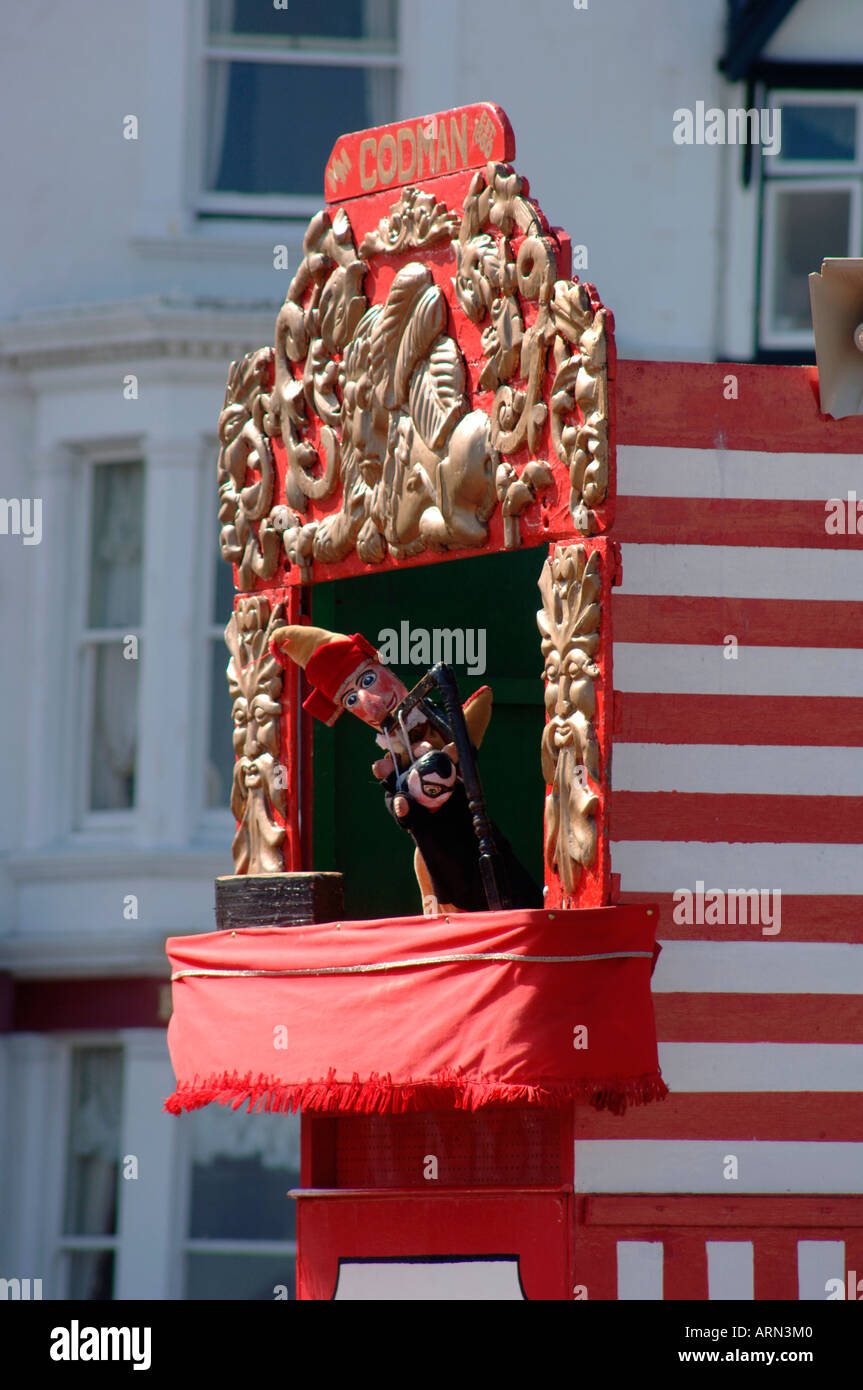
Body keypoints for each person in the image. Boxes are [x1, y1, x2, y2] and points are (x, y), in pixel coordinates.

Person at [270, 623, 543, 914]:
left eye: (368, 680)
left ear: (379, 666)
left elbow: (463, 743)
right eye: (351, 700)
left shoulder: (430, 722)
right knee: (431, 872)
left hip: (468, 843)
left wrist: (448, 753)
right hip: (432, 849)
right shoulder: (394, 747)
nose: (369, 704)